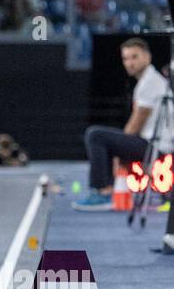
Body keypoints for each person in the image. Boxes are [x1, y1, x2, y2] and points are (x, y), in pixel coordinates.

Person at [73, 38, 173, 210]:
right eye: (125, 58)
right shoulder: (148, 81)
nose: (129, 63)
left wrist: (120, 154)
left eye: (134, 57)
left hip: (157, 148)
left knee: (95, 135)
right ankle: (106, 190)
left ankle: (102, 192)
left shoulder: (150, 82)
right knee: (106, 138)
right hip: (155, 145)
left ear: (147, 57)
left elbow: (136, 123)